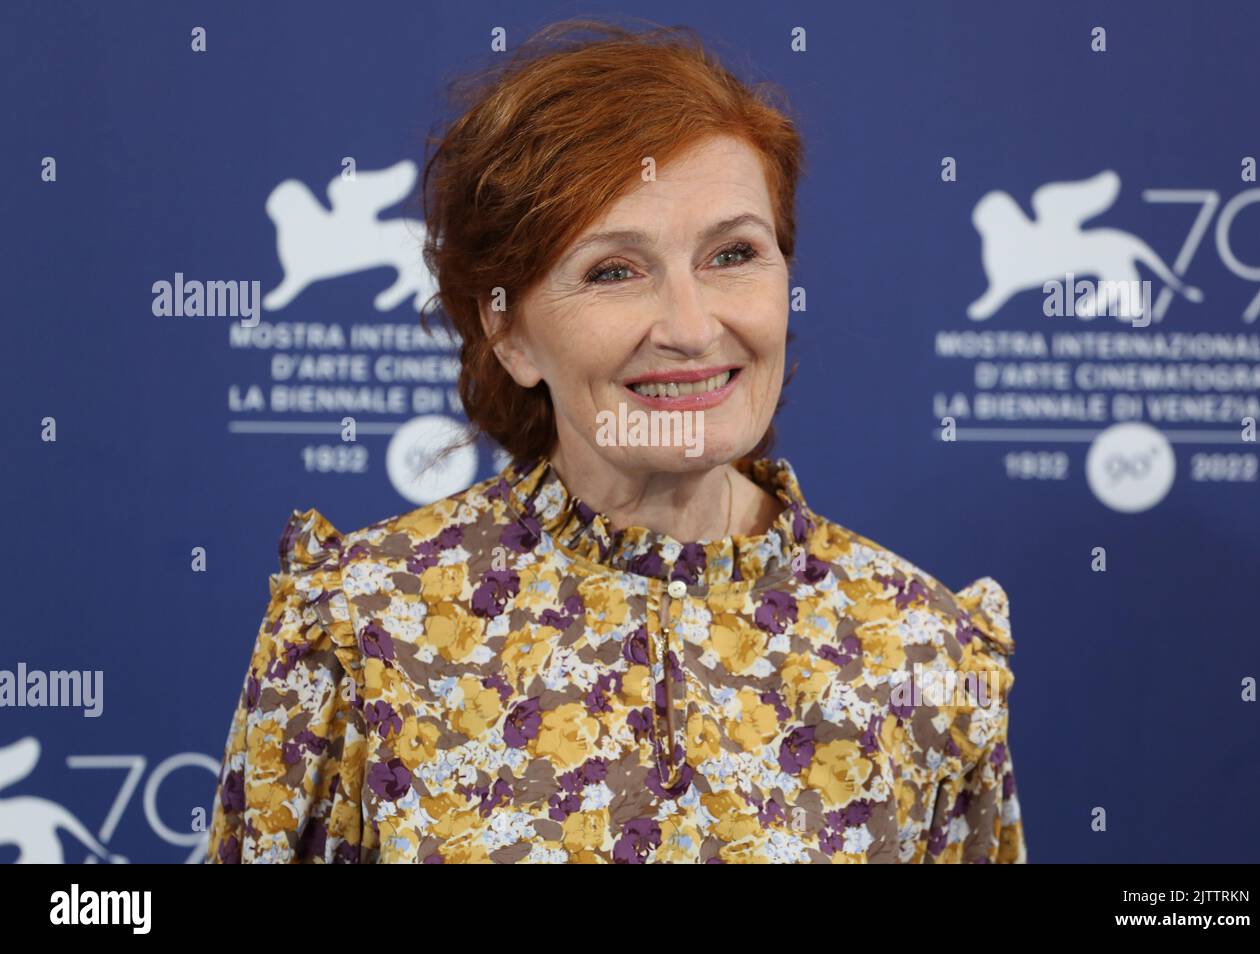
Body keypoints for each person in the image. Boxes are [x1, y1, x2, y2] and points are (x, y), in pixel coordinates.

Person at [204, 17, 1026, 864]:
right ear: (509, 333)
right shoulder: (364, 625)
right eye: (613, 271)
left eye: (734, 253)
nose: (691, 326)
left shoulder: (922, 643)